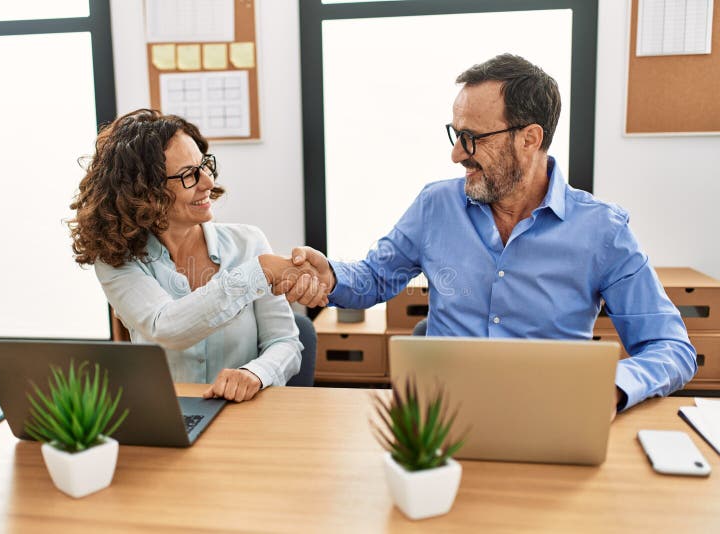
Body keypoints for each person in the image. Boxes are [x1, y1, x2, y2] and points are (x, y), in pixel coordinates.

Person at [278, 54, 696, 415]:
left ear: (529, 138)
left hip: (550, 417)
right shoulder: (435, 206)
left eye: (471, 138)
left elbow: (670, 347)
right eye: (455, 134)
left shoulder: (604, 230)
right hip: (442, 419)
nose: (457, 154)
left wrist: (613, 388)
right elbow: (374, 277)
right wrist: (330, 274)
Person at [68, 109, 321, 402]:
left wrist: (256, 373)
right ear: (145, 192)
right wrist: (258, 272)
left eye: (204, 166)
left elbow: (285, 342)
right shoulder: (117, 260)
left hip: (244, 417)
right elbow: (166, 327)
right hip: (169, 416)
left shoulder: (249, 242)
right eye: (189, 174)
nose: (208, 182)